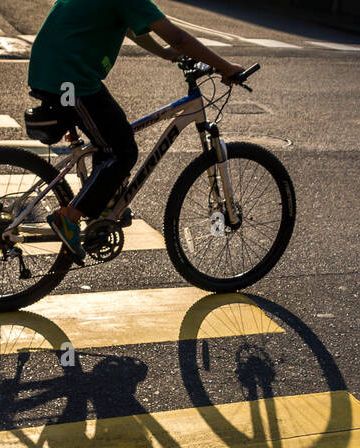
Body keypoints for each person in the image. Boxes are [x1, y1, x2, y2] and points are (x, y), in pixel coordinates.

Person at [27, 0, 246, 263]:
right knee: (123, 152)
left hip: (56, 70)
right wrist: (226, 67)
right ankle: (68, 218)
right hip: (69, 78)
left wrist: (165, 53)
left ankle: (101, 207)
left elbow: (131, 29)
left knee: (109, 138)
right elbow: (177, 37)